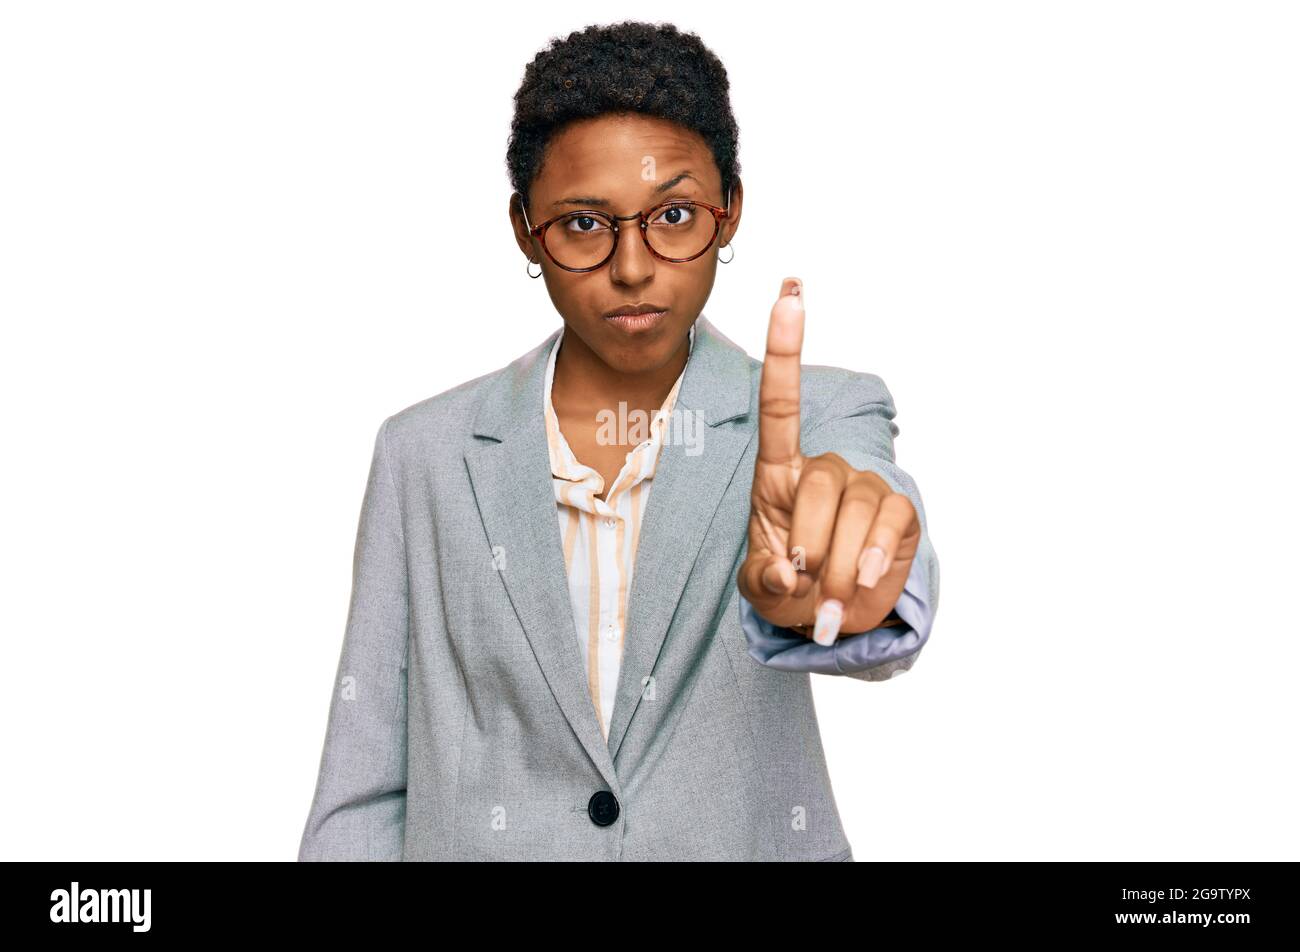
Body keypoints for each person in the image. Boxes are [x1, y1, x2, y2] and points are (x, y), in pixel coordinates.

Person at [298, 20, 939, 862]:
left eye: (674, 215)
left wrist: (843, 590)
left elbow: (867, 515)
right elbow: (363, 792)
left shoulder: (820, 415)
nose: (633, 267)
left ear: (731, 209)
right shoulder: (424, 453)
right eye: (583, 225)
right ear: (526, 229)